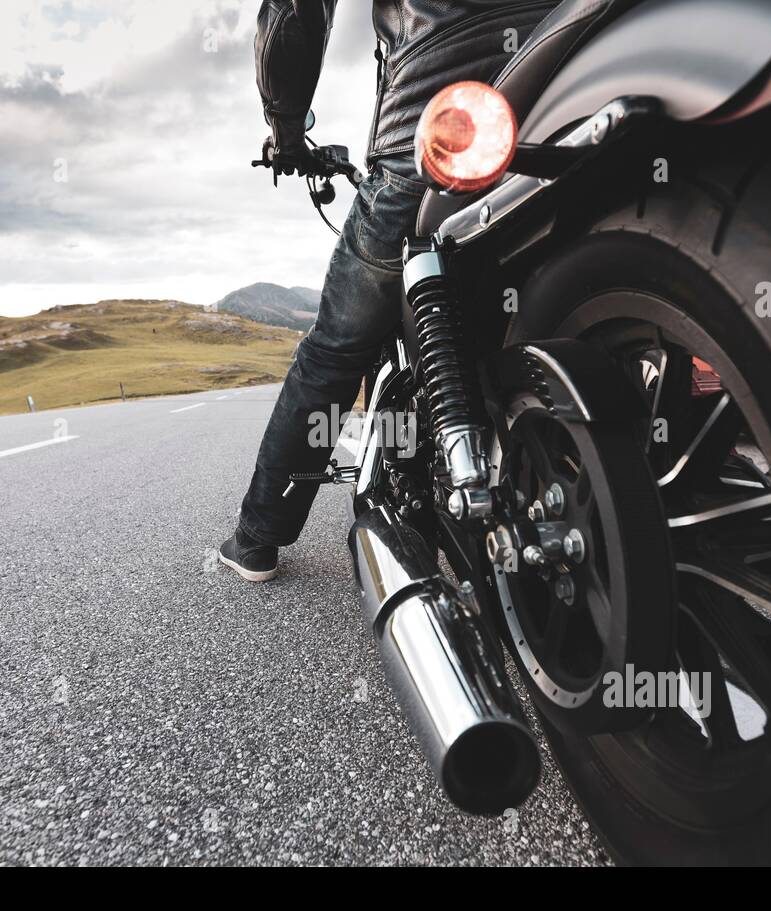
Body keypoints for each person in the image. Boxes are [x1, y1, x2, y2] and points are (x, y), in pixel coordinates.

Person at [219, 0, 557, 582]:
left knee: (334, 348)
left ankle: (258, 537)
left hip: (441, 124)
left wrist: (288, 132)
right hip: (572, 95)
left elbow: (295, 13)